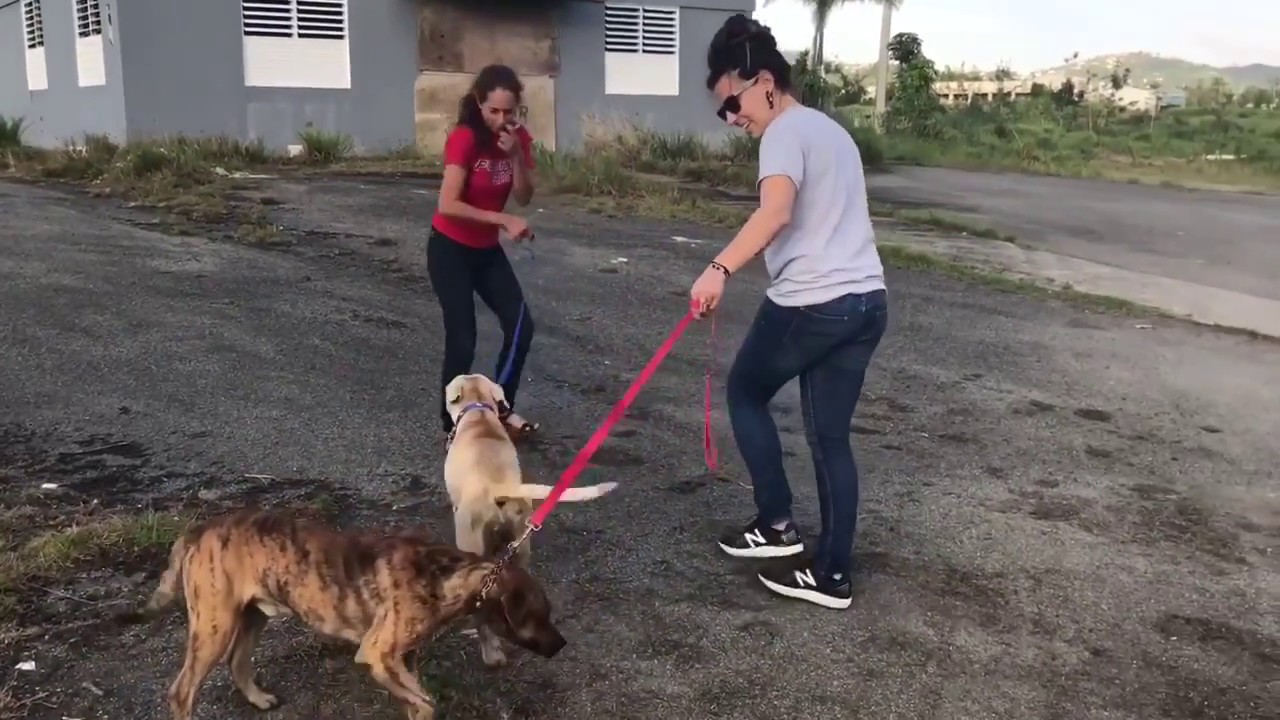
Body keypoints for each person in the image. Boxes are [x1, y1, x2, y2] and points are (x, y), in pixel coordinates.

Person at [689, 14, 889, 610]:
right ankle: (832, 574)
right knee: (830, 439)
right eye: (722, 112)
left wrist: (718, 268)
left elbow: (775, 212)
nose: (732, 119)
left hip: (814, 300)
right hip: (866, 302)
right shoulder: (831, 131)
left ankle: (777, 525)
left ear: (766, 81)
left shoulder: (783, 133)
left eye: (733, 103)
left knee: (746, 391)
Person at [429, 64, 540, 442]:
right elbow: (447, 204)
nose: (501, 119)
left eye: (509, 112)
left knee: (522, 325)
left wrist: (515, 159)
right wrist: (503, 219)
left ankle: (500, 408)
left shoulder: (517, 138)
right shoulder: (464, 138)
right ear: (479, 104)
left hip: (485, 251)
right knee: (463, 337)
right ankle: (453, 425)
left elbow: (525, 194)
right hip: (450, 249)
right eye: (493, 111)